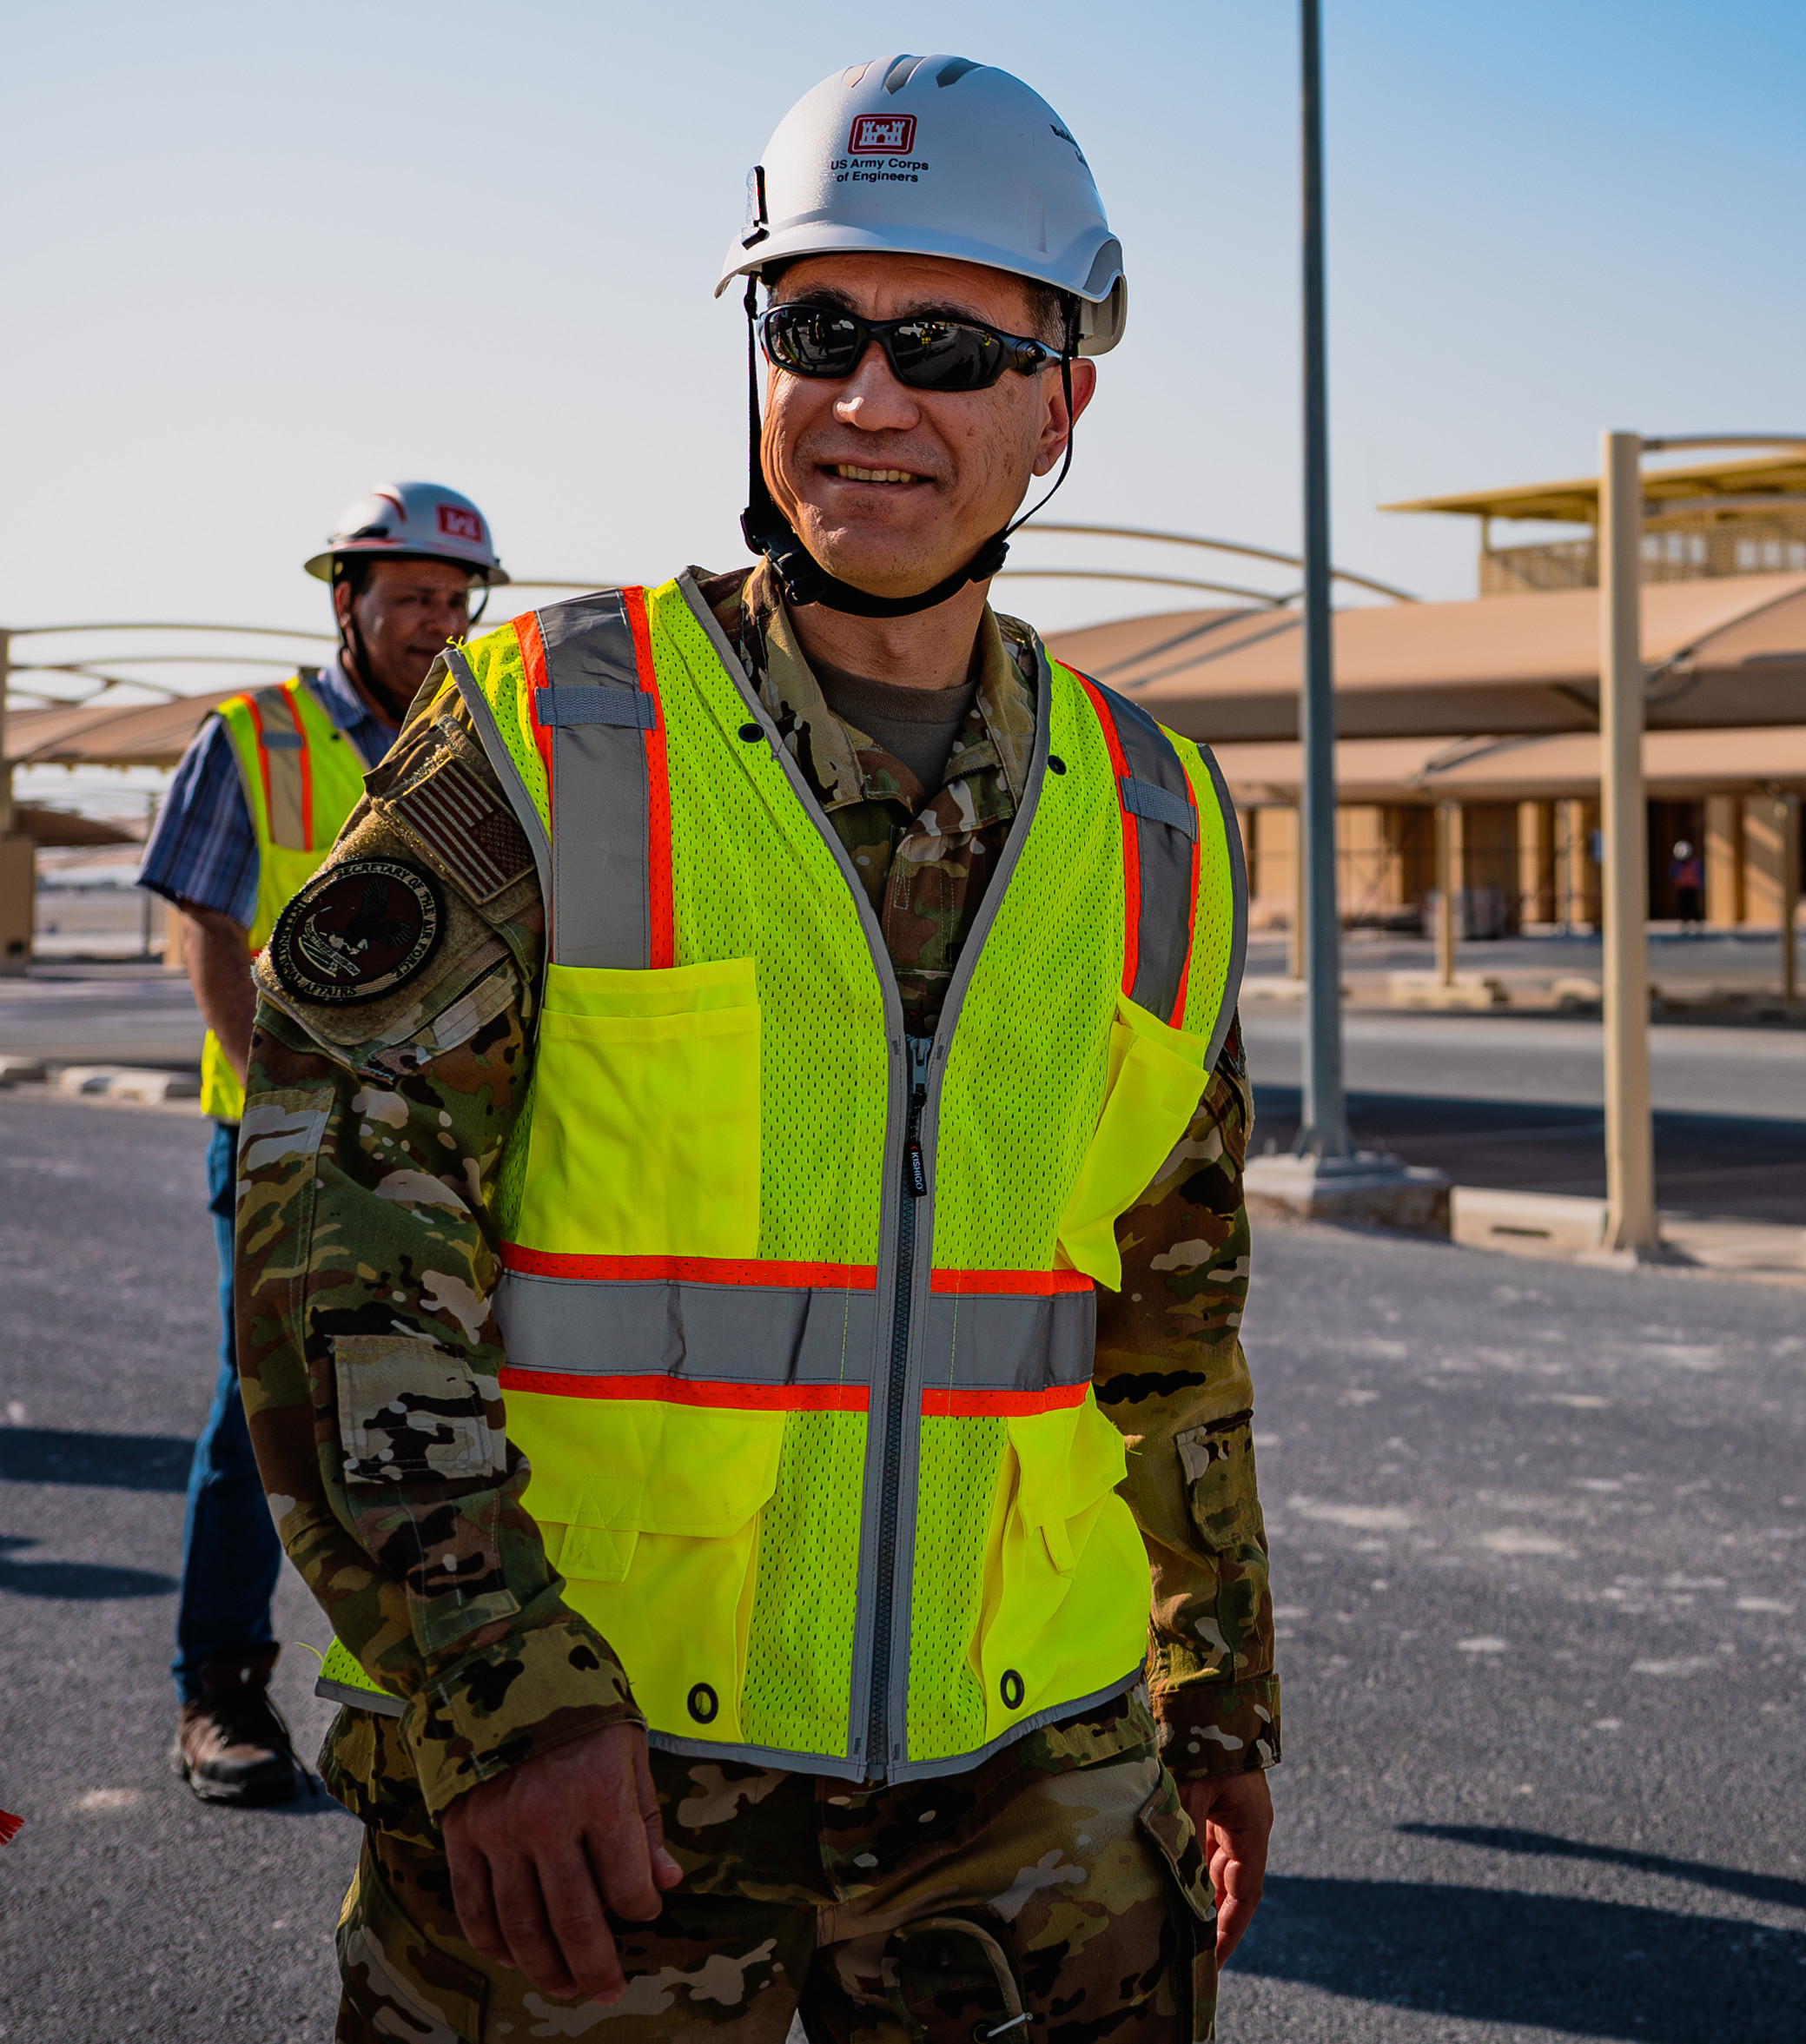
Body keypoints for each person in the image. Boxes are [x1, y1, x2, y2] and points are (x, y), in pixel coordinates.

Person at [235, 56, 1271, 2040]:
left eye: (951, 346)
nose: (871, 400)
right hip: (590, 1780)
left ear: (1062, 397)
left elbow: (1172, 1320)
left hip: (1033, 1786)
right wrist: (499, 1685)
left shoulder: (1161, 817)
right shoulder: (549, 728)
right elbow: (338, 1235)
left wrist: (1213, 1695)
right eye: (818, 330)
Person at [136, 481, 505, 1805]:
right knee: (263, 1425)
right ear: (344, 597)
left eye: (457, 603)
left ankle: (453, 1700)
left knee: (450, 1418)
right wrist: (281, 1114)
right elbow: (210, 932)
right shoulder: (256, 737)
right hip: (286, 1149)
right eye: (411, 598)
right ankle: (222, 1692)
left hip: (452, 1154)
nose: (437, 624)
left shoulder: (488, 737)